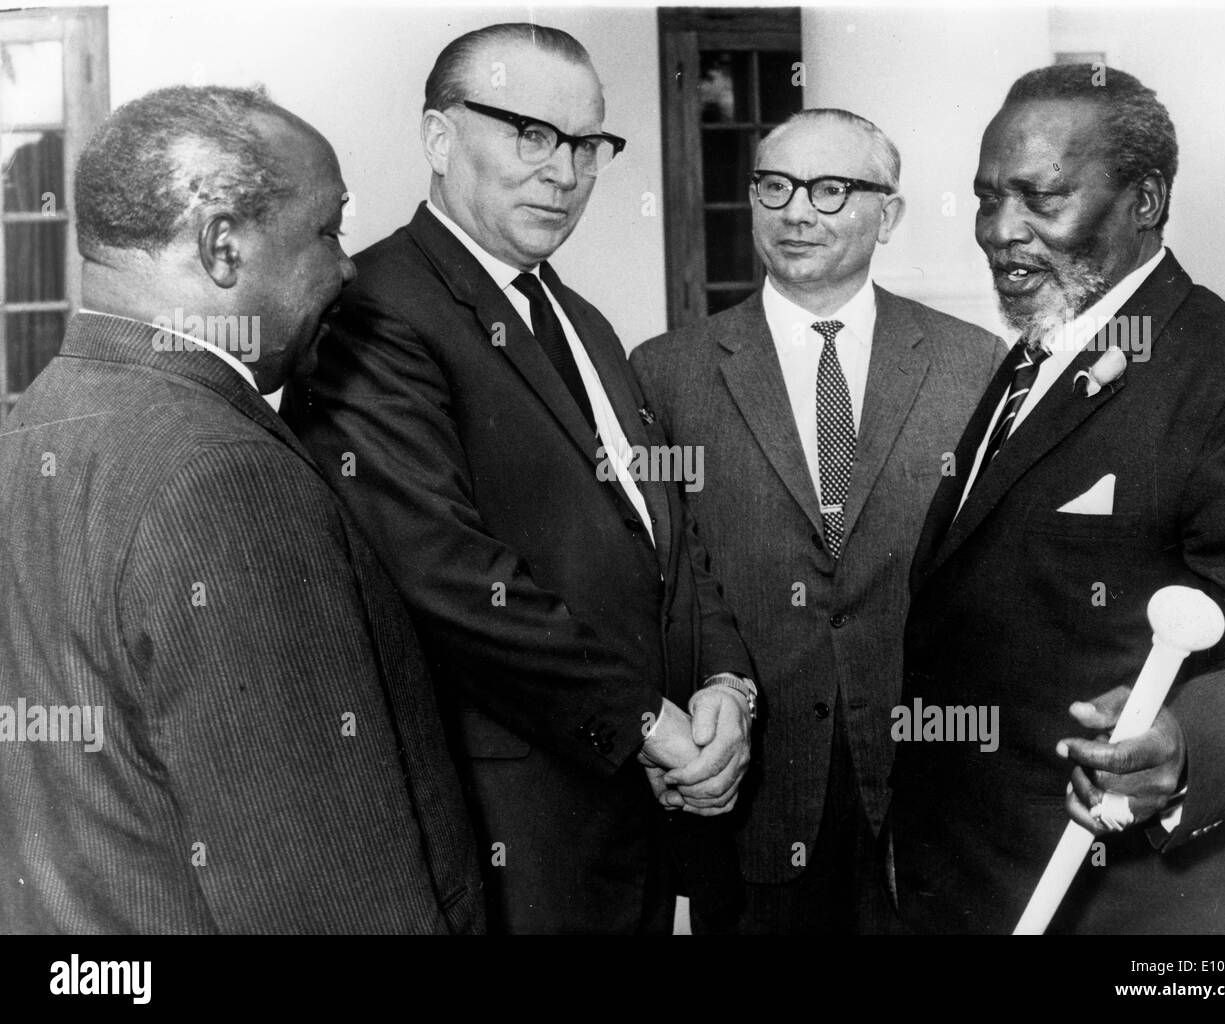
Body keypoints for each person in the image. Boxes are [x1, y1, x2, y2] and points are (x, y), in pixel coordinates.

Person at [281, 23, 755, 934]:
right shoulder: (376, 310)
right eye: (529, 134)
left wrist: (726, 688)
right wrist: (645, 722)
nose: (563, 172)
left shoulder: (581, 319)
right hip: (512, 827)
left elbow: (668, 540)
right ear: (437, 137)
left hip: (639, 815)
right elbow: (447, 571)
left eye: (584, 145)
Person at [0, 85, 483, 934]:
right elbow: (327, 893)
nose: (347, 266)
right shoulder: (225, 476)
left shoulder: (40, 416)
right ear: (223, 244)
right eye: (328, 229)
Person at [890, 64, 1225, 934]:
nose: (1001, 233)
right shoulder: (1042, 351)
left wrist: (1190, 742)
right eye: (987, 198)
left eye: (1041, 198)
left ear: (1145, 199)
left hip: (1118, 903)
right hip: (972, 880)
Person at [631, 109, 1004, 933]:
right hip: (755, 797)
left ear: (889, 214)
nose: (797, 211)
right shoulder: (666, 373)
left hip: (930, 794)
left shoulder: (973, 365)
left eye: (832, 190)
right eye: (775, 186)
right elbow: (672, 570)